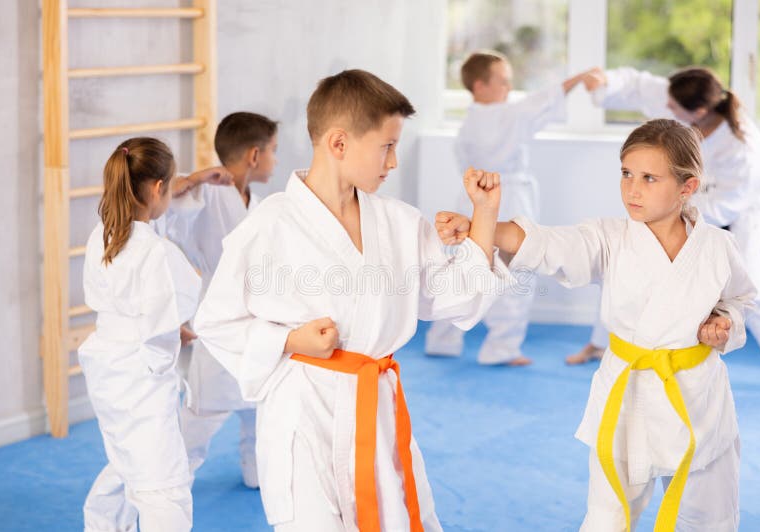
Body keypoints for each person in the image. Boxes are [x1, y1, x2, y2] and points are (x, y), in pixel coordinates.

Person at [194, 69, 513, 531]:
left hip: (376, 410)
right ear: (339, 144)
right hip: (302, 414)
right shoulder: (271, 225)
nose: (394, 162)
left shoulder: (400, 223)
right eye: (386, 146)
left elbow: (455, 300)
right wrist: (289, 340)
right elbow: (216, 321)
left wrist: (484, 215)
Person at [437, 119, 756, 531]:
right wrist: (482, 226)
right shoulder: (611, 237)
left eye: (648, 178)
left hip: (696, 397)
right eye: (626, 174)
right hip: (626, 395)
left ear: (687, 187)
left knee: (709, 517)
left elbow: (740, 299)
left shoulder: (717, 247)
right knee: (607, 516)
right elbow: (551, 243)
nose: (632, 189)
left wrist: (724, 321)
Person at [566, 66, 760, 401]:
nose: (667, 109)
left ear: (700, 112)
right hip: (674, 205)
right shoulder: (682, 99)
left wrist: (677, 218)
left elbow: (726, 206)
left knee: (756, 294)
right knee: (624, 264)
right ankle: (601, 343)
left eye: (674, 109)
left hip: (736, 218)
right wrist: (605, 84)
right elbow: (638, 83)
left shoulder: (745, 150)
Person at [425, 50, 586, 365]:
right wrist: (579, 78)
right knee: (517, 269)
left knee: (460, 266)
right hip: (508, 196)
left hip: (470, 198)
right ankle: (501, 348)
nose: (508, 88)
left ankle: (442, 341)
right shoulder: (510, 116)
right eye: (502, 81)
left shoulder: (468, 123)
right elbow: (547, 97)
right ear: (480, 85)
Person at [78, 137, 201, 531]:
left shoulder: (103, 234)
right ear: (158, 188)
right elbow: (177, 303)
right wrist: (172, 329)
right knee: (165, 485)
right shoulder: (159, 254)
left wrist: (166, 326)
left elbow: (133, 302)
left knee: (126, 460)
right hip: (142, 377)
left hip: (106, 365)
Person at [165, 112, 279, 488]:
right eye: (273, 151)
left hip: (259, 318)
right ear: (254, 155)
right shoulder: (206, 193)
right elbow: (166, 204)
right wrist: (198, 177)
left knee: (260, 410)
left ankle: (258, 473)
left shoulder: (260, 203)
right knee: (203, 412)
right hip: (218, 316)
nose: (276, 159)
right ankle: (168, 480)